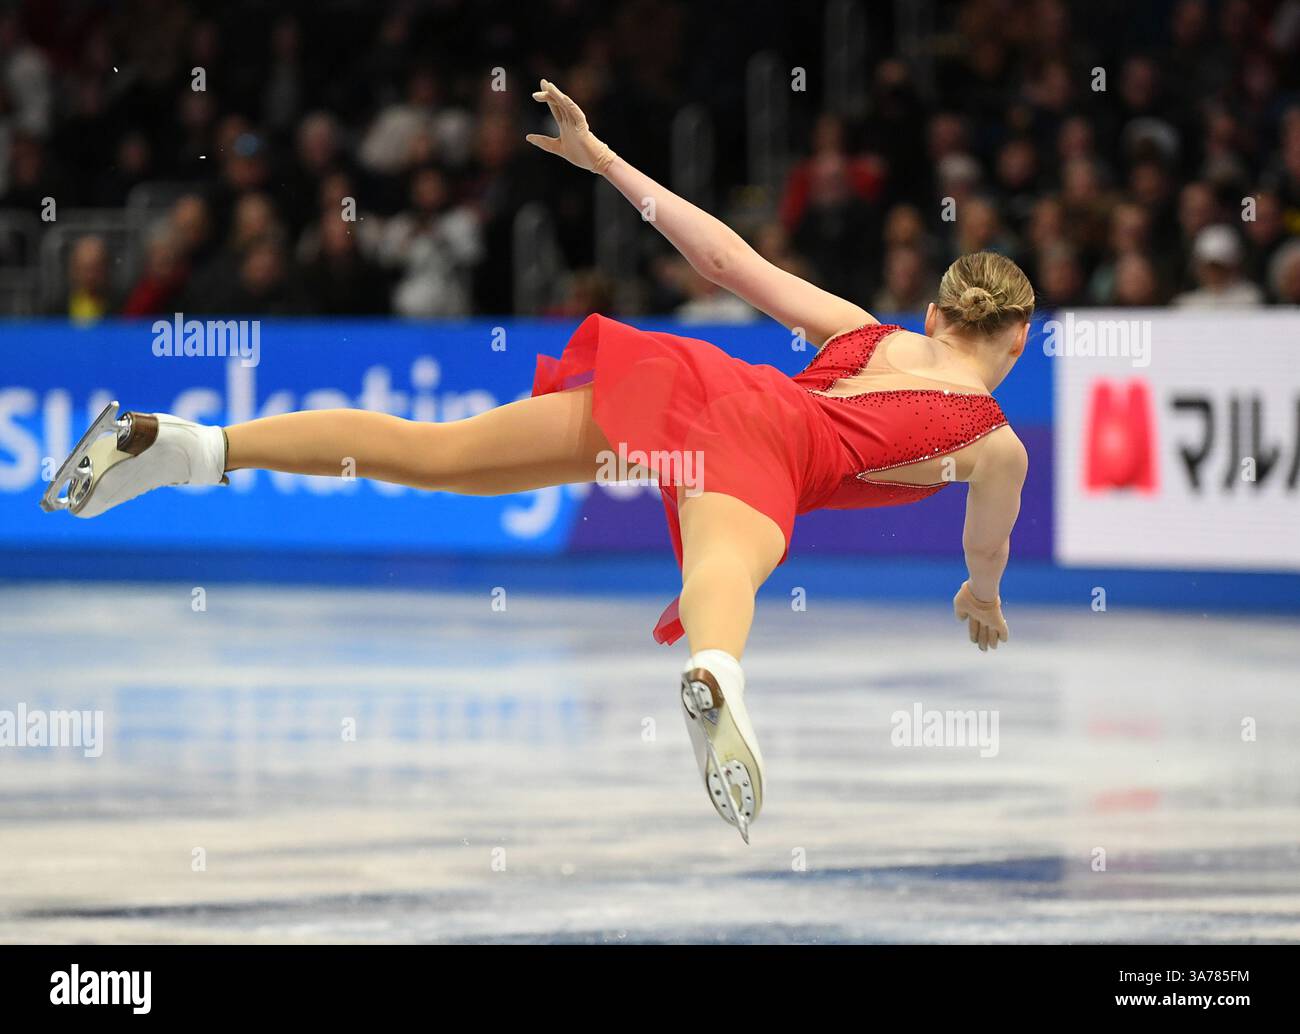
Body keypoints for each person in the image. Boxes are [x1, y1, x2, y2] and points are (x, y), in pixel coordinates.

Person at [43, 82, 1032, 843]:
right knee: (724, 570)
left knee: (430, 451)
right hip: (772, 448)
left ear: (938, 314)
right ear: (1016, 341)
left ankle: (191, 444)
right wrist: (979, 594)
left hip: (697, 383)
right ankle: (717, 674)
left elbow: (728, 263)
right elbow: (982, 544)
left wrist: (605, 163)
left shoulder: (869, 332)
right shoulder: (995, 444)